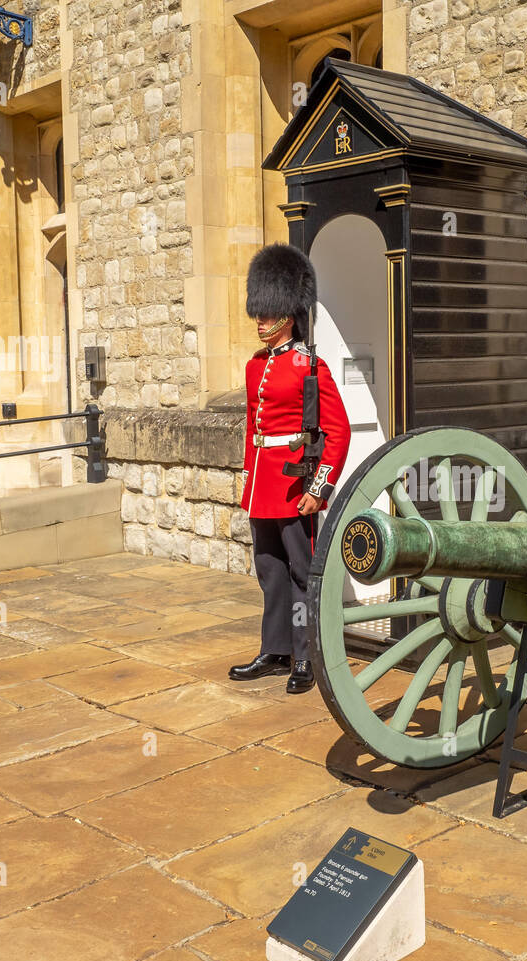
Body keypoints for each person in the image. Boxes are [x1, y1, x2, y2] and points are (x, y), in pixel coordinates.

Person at [229, 243, 351, 695]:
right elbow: (252, 429)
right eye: (258, 312)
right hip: (263, 485)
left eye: (269, 313)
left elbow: (337, 433)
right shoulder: (253, 366)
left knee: (301, 572)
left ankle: (305, 655)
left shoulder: (309, 367)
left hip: (294, 484)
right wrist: (247, 477)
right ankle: (275, 649)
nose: (260, 321)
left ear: (289, 313)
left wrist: (319, 487)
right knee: (269, 570)